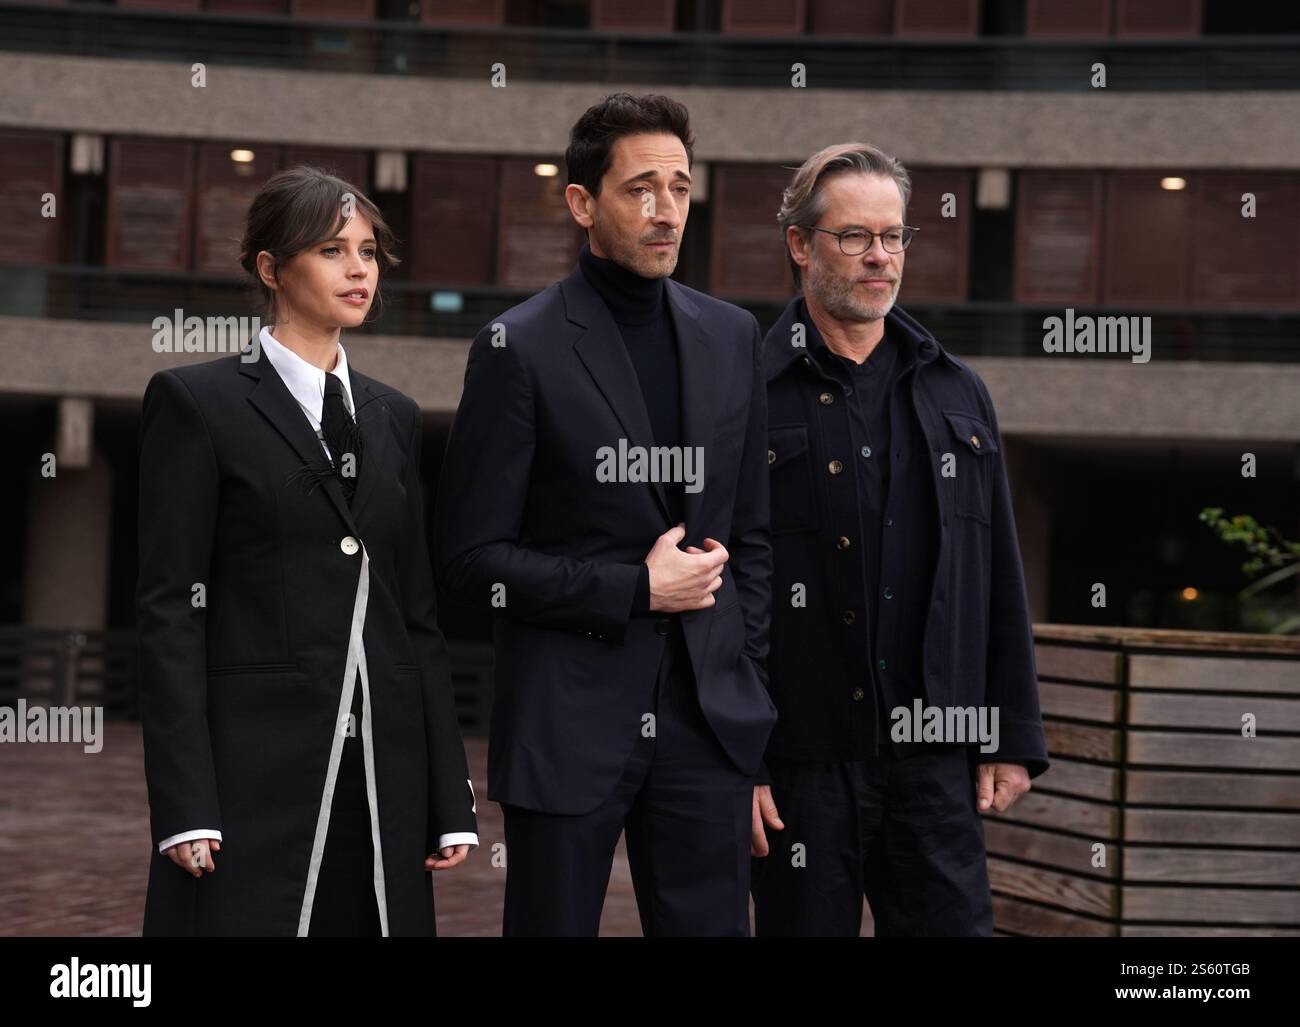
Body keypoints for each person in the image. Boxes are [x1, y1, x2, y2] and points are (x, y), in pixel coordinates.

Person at [435, 93, 775, 936]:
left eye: (681, 187)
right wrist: (633, 589)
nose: (666, 211)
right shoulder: (519, 347)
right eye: (640, 189)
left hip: (709, 726)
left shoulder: (734, 336)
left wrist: (743, 678)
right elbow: (471, 563)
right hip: (566, 726)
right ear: (583, 202)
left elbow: (756, 538)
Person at [137, 165, 477, 936]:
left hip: (383, 779)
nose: (360, 269)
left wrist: (447, 796)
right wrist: (185, 800)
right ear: (271, 268)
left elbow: (415, 616)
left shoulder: (393, 414)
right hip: (251, 777)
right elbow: (170, 612)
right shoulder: (199, 402)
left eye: (369, 251)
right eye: (332, 250)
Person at [751, 142, 1049, 936]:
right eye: (853, 236)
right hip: (797, 764)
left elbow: (997, 574)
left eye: (893, 235)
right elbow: (725, 587)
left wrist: (1010, 735)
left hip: (935, 763)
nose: (880, 255)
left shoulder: (956, 389)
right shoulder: (743, 388)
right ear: (800, 245)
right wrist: (737, 756)